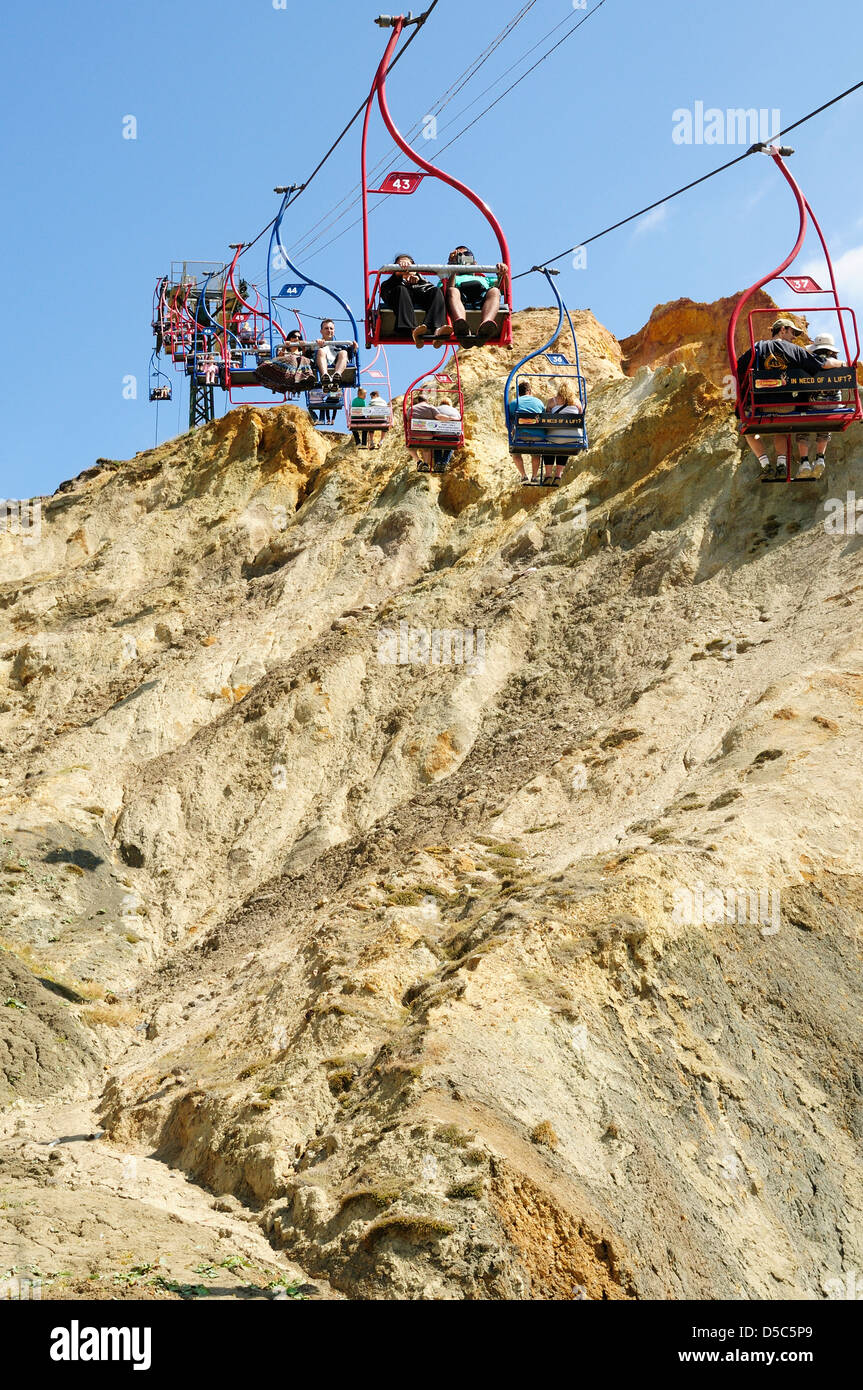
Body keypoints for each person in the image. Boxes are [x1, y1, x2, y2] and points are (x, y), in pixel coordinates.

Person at [735, 318, 835, 480]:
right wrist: (840, 364)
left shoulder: (757, 348)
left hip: (760, 407)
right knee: (781, 426)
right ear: (783, 330)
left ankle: (765, 464)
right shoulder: (793, 349)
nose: (794, 336)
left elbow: (739, 368)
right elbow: (820, 364)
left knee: (747, 427)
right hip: (787, 408)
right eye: (793, 332)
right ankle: (781, 464)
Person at [794, 331, 843, 479]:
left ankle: (804, 462)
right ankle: (820, 457)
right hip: (835, 406)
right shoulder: (839, 363)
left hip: (815, 406)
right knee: (824, 427)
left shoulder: (813, 361)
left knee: (802, 427)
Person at [380, 254, 448, 348]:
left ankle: (437, 329)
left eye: (408, 265)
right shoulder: (391, 284)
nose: (405, 268)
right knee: (401, 289)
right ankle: (413, 329)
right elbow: (385, 294)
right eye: (401, 265)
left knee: (436, 291)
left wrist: (419, 282)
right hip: (400, 298)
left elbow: (431, 293)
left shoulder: (421, 281)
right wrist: (400, 278)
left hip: (418, 295)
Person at [443, 245, 508, 345]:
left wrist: (503, 273)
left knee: (495, 291)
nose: (463, 258)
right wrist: (453, 268)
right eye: (459, 255)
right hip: (460, 299)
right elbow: (446, 291)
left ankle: (486, 324)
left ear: (475, 262)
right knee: (452, 291)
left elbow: (503, 289)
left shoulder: (484, 279)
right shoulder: (449, 279)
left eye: (467, 255)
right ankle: (461, 324)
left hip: (481, 298)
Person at [541, 379, 585, 486]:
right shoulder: (577, 402)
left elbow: (546, 417)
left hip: (554, 437)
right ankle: (558, 475)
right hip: (573, 437)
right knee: (565, 447)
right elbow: (581, 416)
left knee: (548, 447)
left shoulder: (553, 401)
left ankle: (547, 475)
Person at [510, 379, 547, 484]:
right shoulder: (539, 402)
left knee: (515, 453)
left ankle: (523, 475)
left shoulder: (514, 403)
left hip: (521, 436)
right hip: (538, 436)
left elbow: (509, 421)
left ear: (519, 393)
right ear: (529, 391)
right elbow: (543, 417)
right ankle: (534, 477)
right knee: (536, 454)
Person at [312, 318, 357, 387]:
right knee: (321, 351)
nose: (329, 330)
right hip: (321, 362)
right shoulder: (315, 344)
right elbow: (307, 353)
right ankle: (325, 376)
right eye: (326, 328)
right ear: (321, 331)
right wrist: (317, 345)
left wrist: (354, 348)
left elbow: (350, 355)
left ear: (334, 331)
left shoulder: (340, 346)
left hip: (336, 362)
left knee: (344, 353)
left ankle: (337, 375)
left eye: (331, 328)